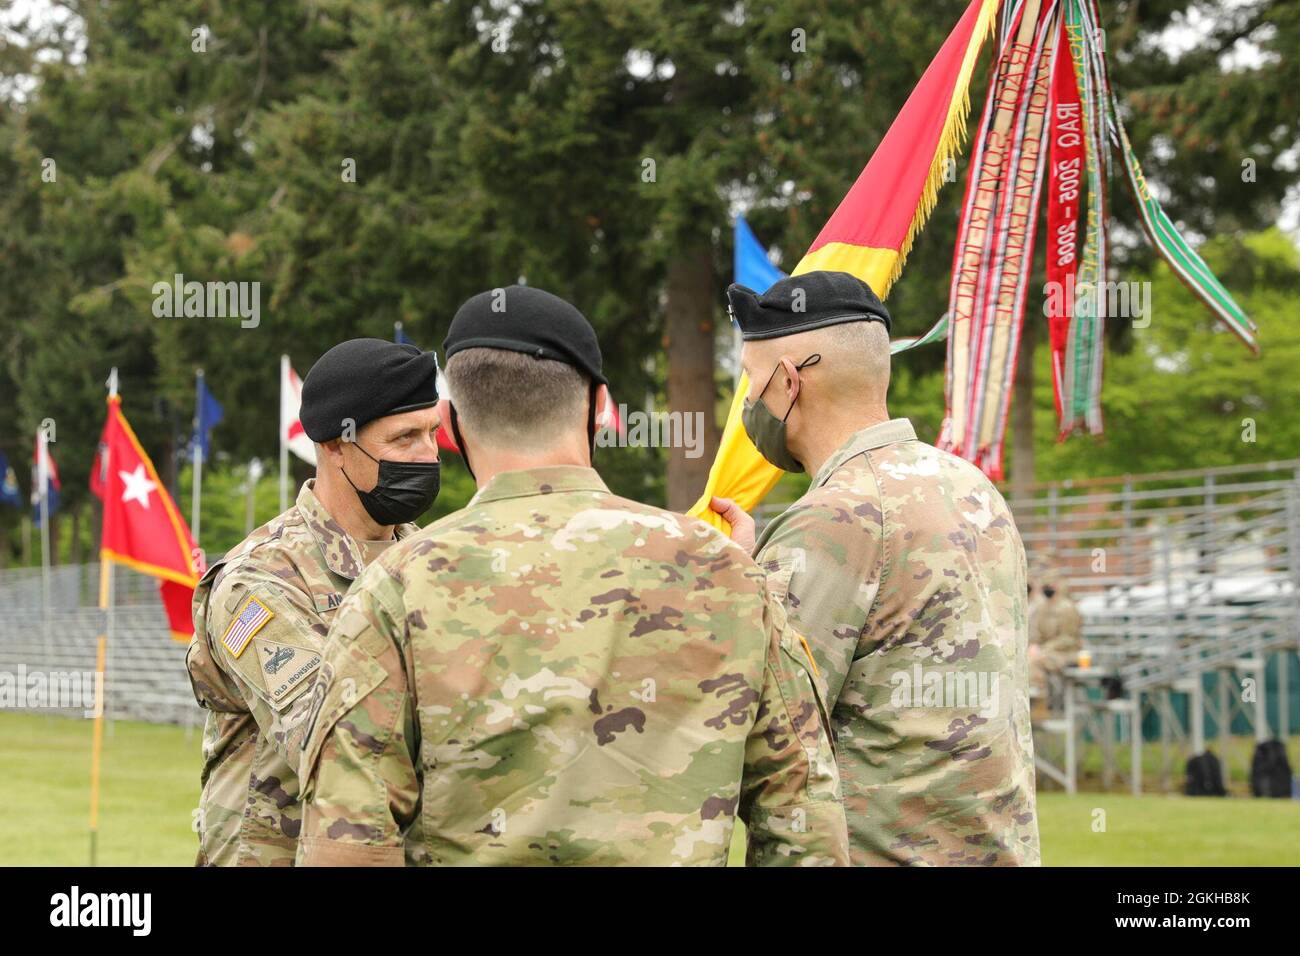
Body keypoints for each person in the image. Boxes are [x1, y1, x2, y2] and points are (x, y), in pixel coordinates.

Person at [297, 286, 848, 866]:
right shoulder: (731, 576)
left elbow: (345, 841)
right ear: (600, 406)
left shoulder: (396, 587)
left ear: (448, 425)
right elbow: (806, 821)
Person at [710, 270, 1040, 866]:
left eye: (750, 385)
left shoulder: (836, 518)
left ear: (787, 383)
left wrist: (735, 591)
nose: (749, 405)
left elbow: (760, 726)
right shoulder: (974, 488)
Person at [186, 338, 442, 866]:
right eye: (405, 438)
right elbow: (329, 746)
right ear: (335, 444)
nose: (429, 455)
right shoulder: (260, 581)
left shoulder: (427, 560)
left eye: (433, 432)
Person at [1028, 570, 1084, 710]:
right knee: (1026, 657)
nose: (1047, 588)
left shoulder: (1067, 608)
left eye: (1050, 585)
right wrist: (1034, 646)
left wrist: (1045, 649)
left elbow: (1069, 638)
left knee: (1036, 660)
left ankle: (1039, 699)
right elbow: (1037, 634)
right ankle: (1034, 698)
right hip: (1045, 652)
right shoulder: (1042, 608)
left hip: (1066, 654)